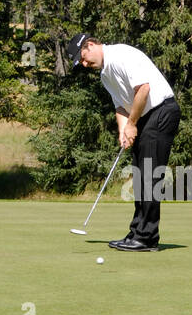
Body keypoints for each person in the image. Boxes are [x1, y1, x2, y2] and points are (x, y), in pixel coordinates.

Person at [66, 31, 181, 252]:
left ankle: (147, 238)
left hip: (162, 111)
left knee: (149, 175)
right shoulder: (105, 74)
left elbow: (143, 89)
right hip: (146, 115)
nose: (83, 64)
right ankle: (138, 232)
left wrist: (132, 123)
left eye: (82, 57)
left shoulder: (120, 55)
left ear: (90, 45)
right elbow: (121, 105)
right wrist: (123, 130)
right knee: (140, 175)